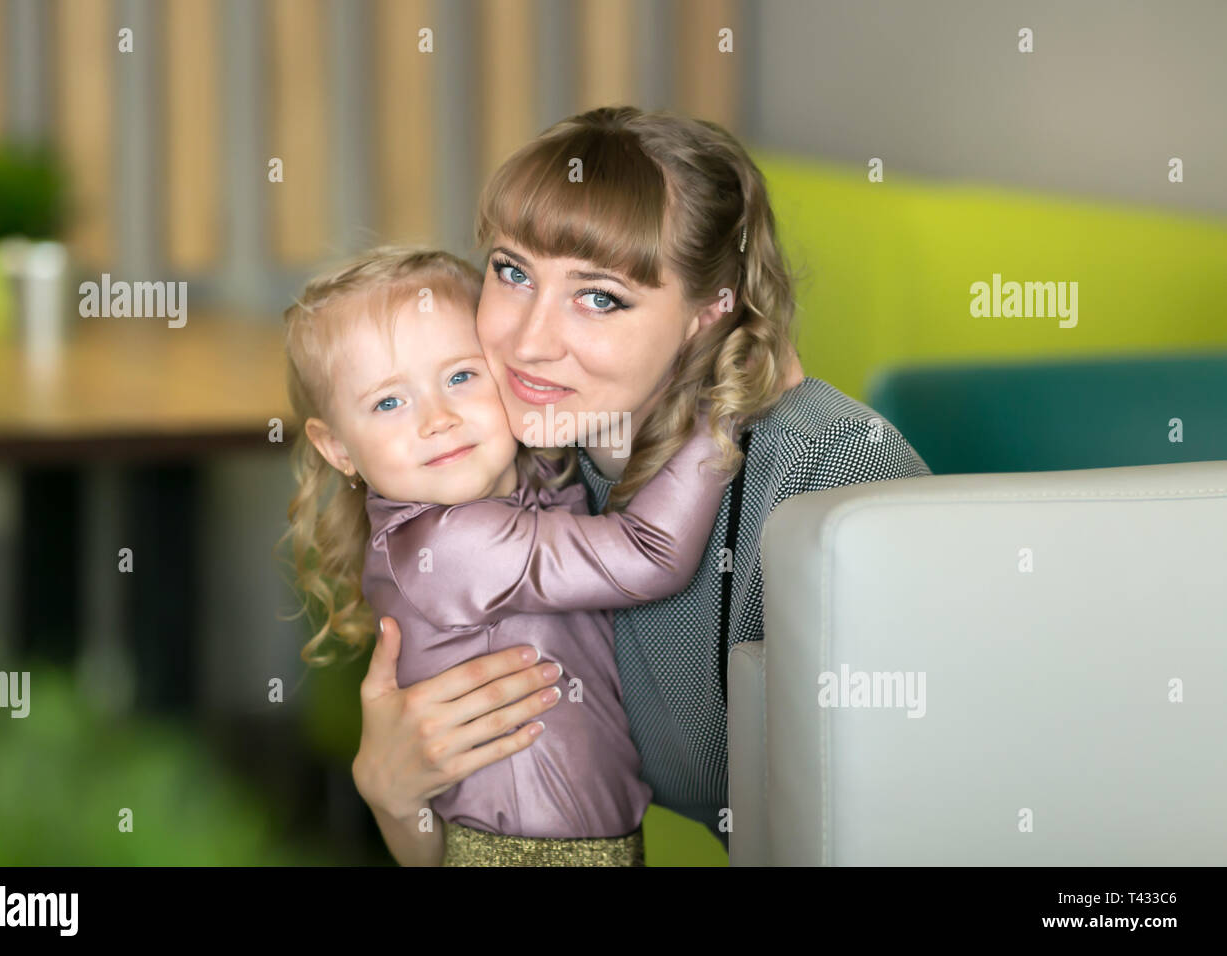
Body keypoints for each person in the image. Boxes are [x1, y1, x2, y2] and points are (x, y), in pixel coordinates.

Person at [352, 107, 932, 866]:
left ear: (708, 312)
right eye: (512, 271)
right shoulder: (503, 463)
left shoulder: (828, 473)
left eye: (600, 297)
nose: (528, 341)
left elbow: (915, 819)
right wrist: (392, 795)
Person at [280, 245, 737, 865]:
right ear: (337, 448)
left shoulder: (528, 477)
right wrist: (725, 405)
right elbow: (650, 554)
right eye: (390, 401)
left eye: (460, 376)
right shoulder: (446, 544)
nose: (437, 419)